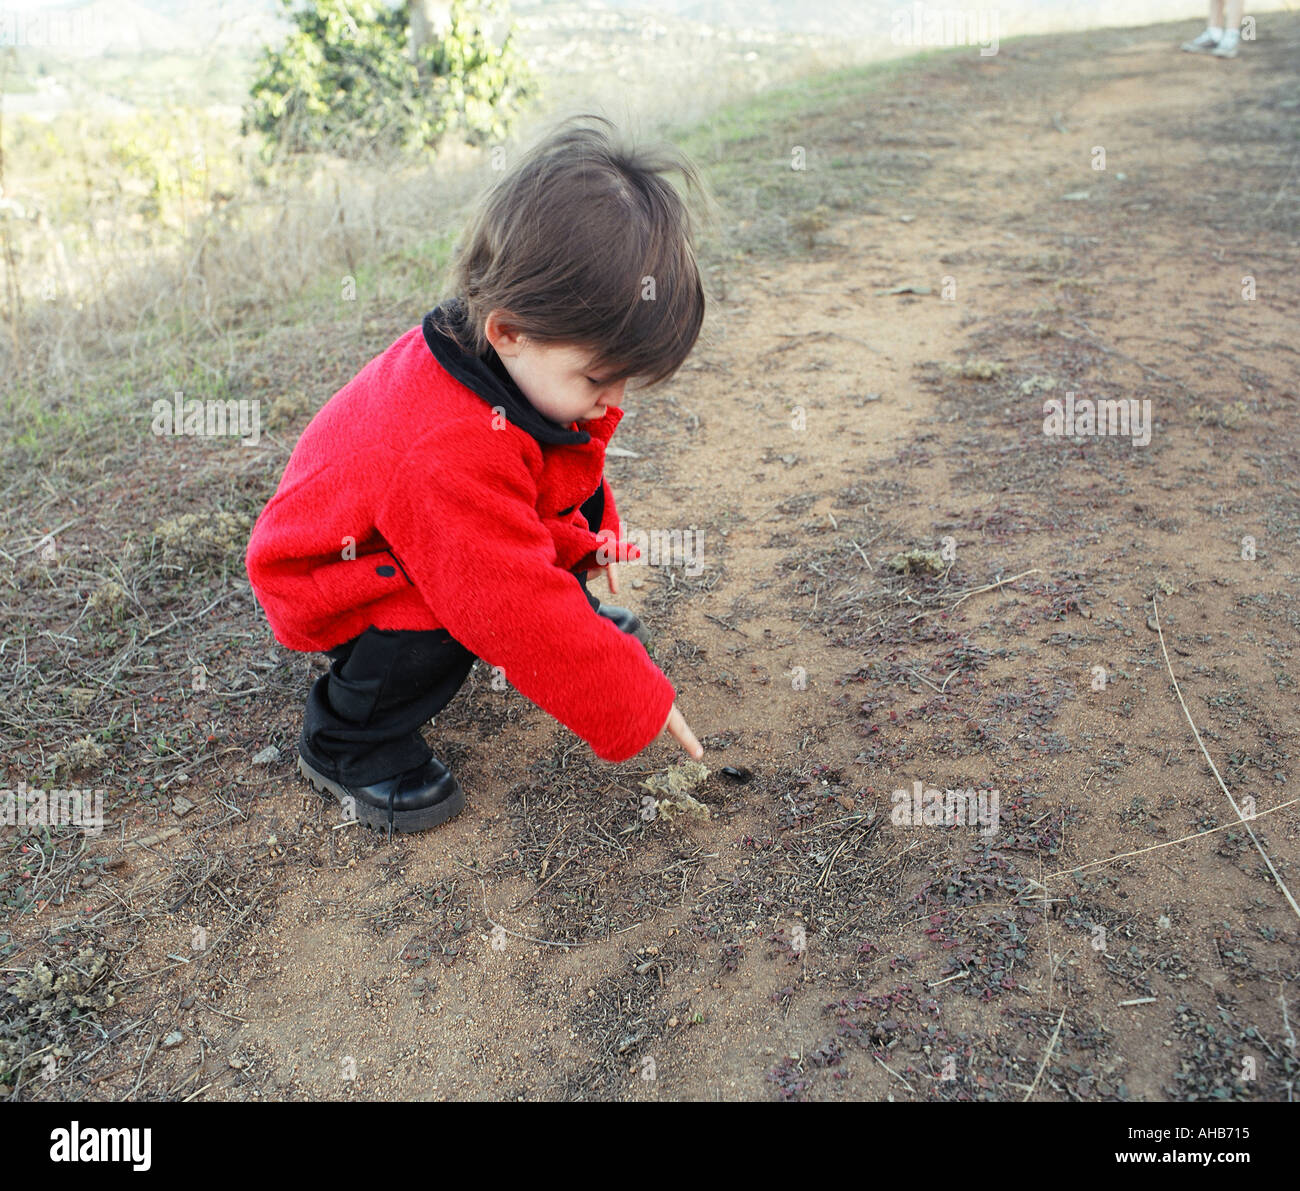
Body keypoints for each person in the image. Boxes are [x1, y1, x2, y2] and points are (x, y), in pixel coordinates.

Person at [245, 115, 707, 834]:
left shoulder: (509, 371)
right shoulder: (444, 446)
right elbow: (505, 597)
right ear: (509, 331)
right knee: (452, 606)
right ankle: (348, 740)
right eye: (598, 377)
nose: (614, 401)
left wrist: (592, 543)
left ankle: (567, 628)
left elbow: (556, 477)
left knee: (514, 537)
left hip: (415, 532)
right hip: (329, 572)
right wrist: (626, 694)